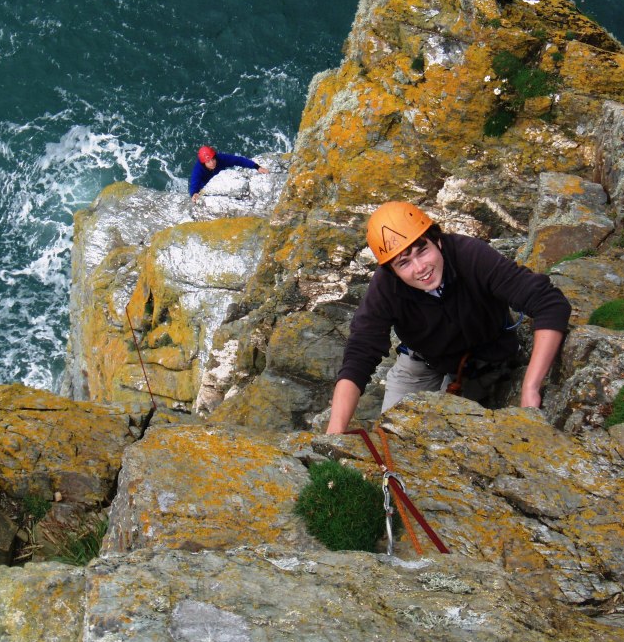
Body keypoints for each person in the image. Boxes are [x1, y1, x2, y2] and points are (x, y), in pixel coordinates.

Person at [326, 201, 571, 434]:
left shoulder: (470, 256)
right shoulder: (385, 288)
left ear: (438, 242)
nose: (420, 268)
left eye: (422, 251)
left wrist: (530, 389)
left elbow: (549, 303)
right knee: (394, 439)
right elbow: (360, 353)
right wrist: (334, 433)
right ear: (392, 271)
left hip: (485, 358)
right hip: (422, 361)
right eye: (404, 263)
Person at [189, 145, 269, 201]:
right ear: (204, 163)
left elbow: (238, 160)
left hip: (222, 182)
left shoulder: (220, 158)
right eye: (208, 162)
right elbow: (194, 183)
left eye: (213, 159)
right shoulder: (198, 170)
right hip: (207, 187)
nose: (212, 163)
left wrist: (257, 167)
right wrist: (194, 194)